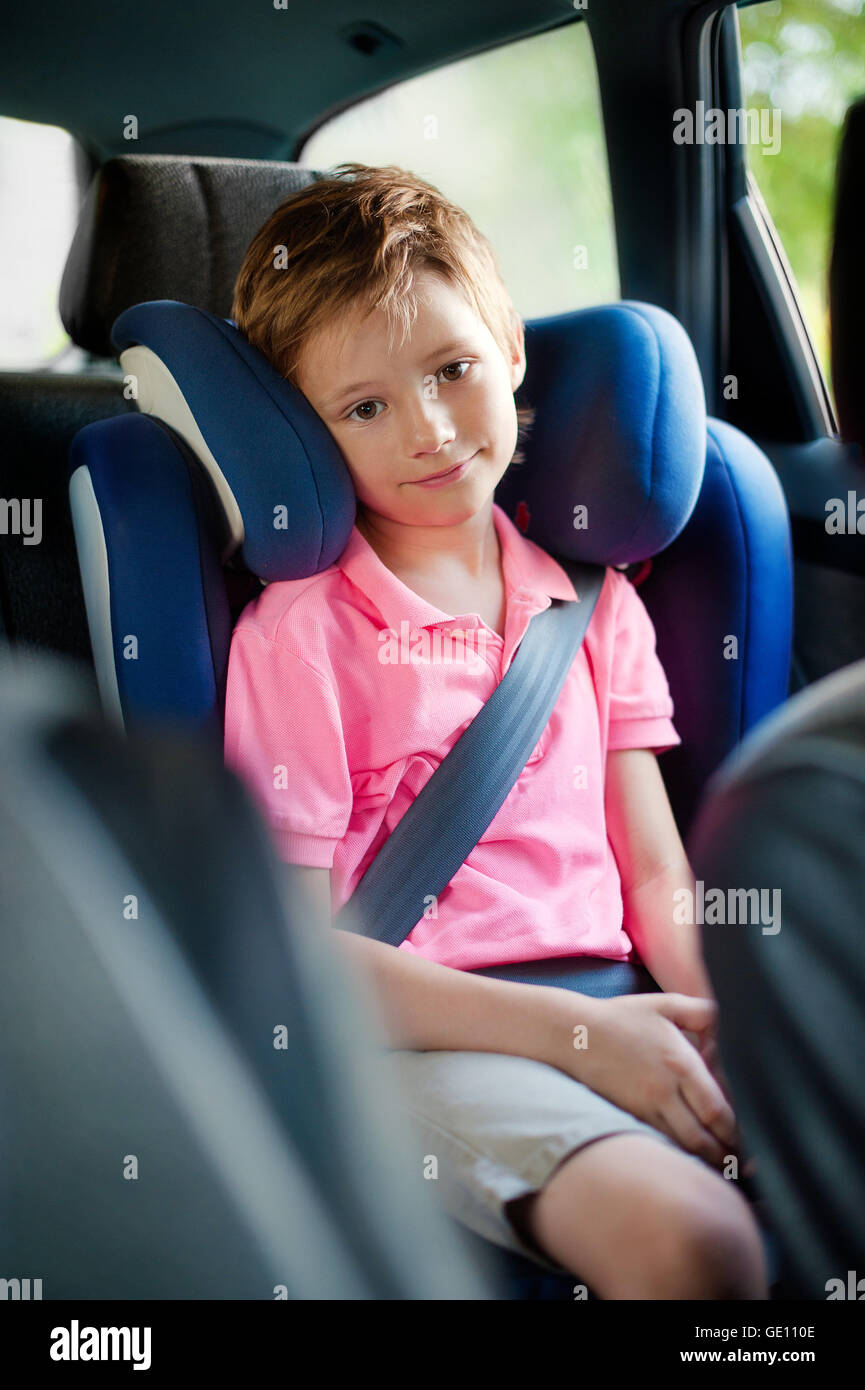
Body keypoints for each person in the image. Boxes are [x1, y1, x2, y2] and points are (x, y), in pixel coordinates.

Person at [223, 163, 768, 1298]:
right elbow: (302, 957)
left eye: (452, 370)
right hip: (434, 1040)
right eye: (363, 406)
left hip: (626, 1002)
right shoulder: (301, 635)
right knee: (696, 1247)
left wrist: (738, 1017)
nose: (426, 429)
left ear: (511, 352)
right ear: (309, 437)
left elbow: (654, 868)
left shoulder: (596, 601)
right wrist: (576, 1041)